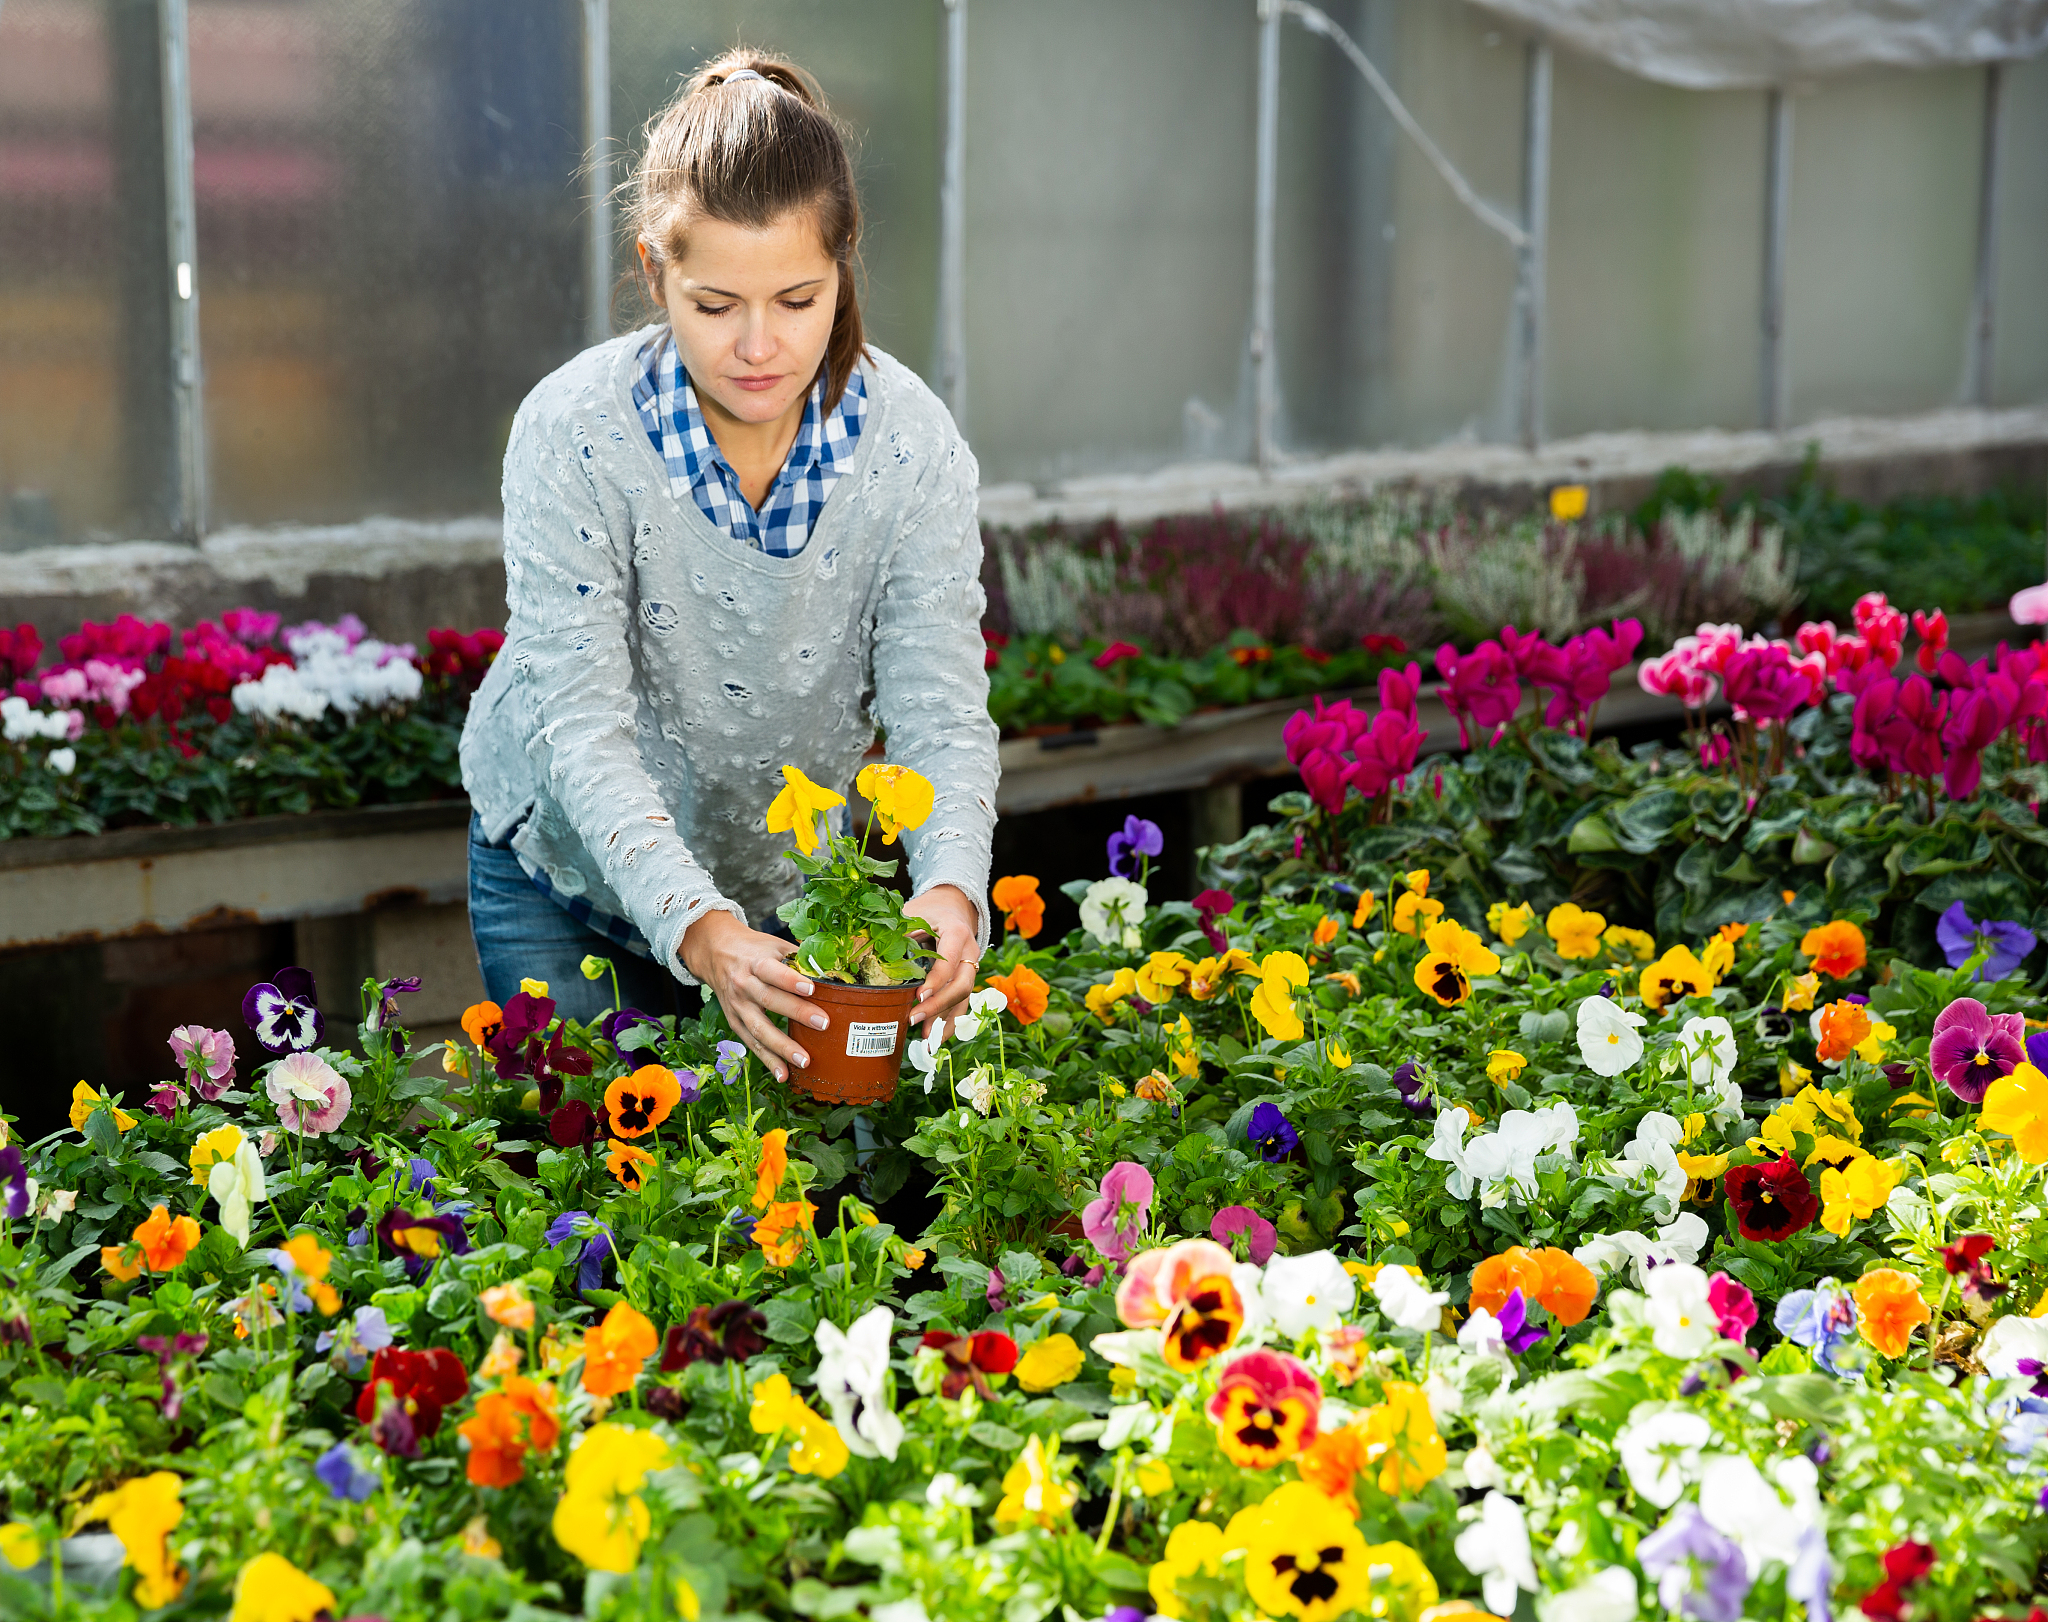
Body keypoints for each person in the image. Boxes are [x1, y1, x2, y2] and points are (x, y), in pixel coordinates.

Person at [461, 49, 998, 1084]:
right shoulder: (573, 431)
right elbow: (579, 726)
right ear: (654, 271)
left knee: (781, 1222)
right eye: (714, 306)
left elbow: (938, 711)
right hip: (566, 879)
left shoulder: (910, 445)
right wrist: (695, 926)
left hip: (781, 900)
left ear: (843, 267)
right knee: (599, 1205)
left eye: (797, 299)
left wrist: (948, 886)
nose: (758, 345)